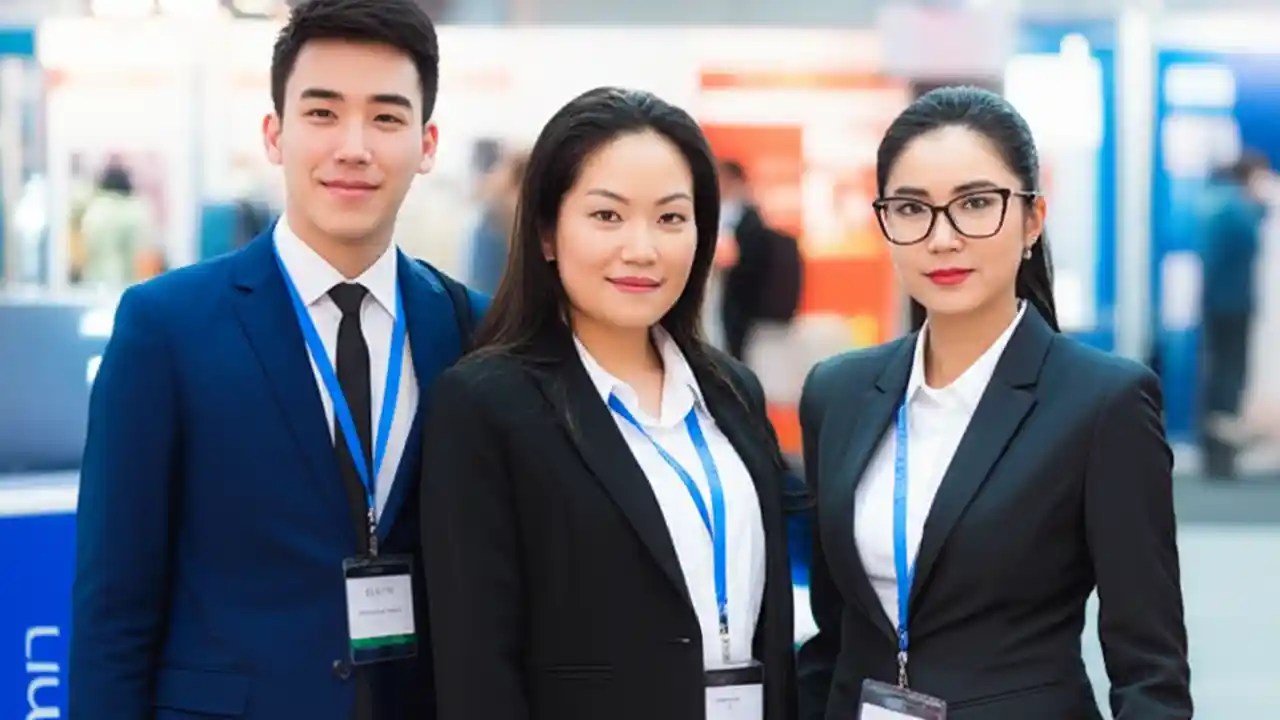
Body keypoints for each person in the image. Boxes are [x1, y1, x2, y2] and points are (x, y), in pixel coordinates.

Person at [69, 2, 485, 719]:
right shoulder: (168, 327)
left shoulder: (470, 325)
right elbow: (115, 607)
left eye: (386, 118)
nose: (353, 146)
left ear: (427, 142)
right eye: (322, 113)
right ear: (274, 133)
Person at [796, 87, 1191, 719]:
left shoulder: (1102, 402)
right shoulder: (837, 392)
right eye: (911, 208)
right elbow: (833, 630)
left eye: (976, 204)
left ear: (1032, 219)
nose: (943, 237)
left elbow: (1150, 669)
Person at [419, 87, 798, 720]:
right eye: (607, 216)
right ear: (546, 232)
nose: (643, 249)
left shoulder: (732, 392)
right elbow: (476, 666)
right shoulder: (487, 405)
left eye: (671, 218)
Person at [1199, 150, 1270, 478]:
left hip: (1219, 304)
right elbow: (1251, 234)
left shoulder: (1218, 204)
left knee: (1220, 373)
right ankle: (1221, 452)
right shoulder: (1237, 209)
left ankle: (1217, 450)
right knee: (1229, 376)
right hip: (1233, 306)